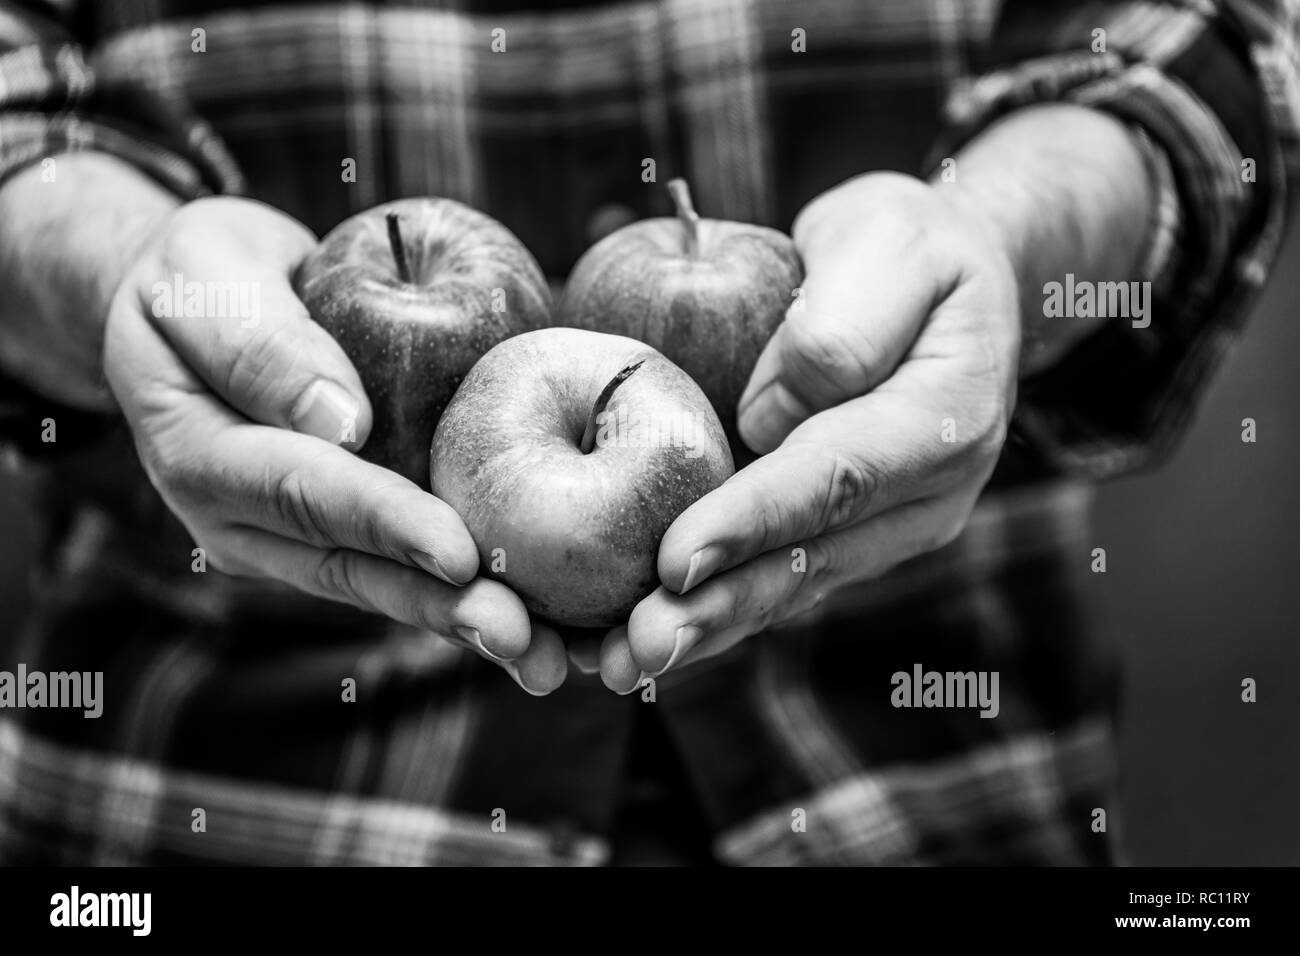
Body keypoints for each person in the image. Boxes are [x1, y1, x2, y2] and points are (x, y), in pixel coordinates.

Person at [0, 0, 1295, 866]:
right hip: (214, 803)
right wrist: (117, 270)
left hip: (931, 795)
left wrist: (1012, 235)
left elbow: (1203, 38)